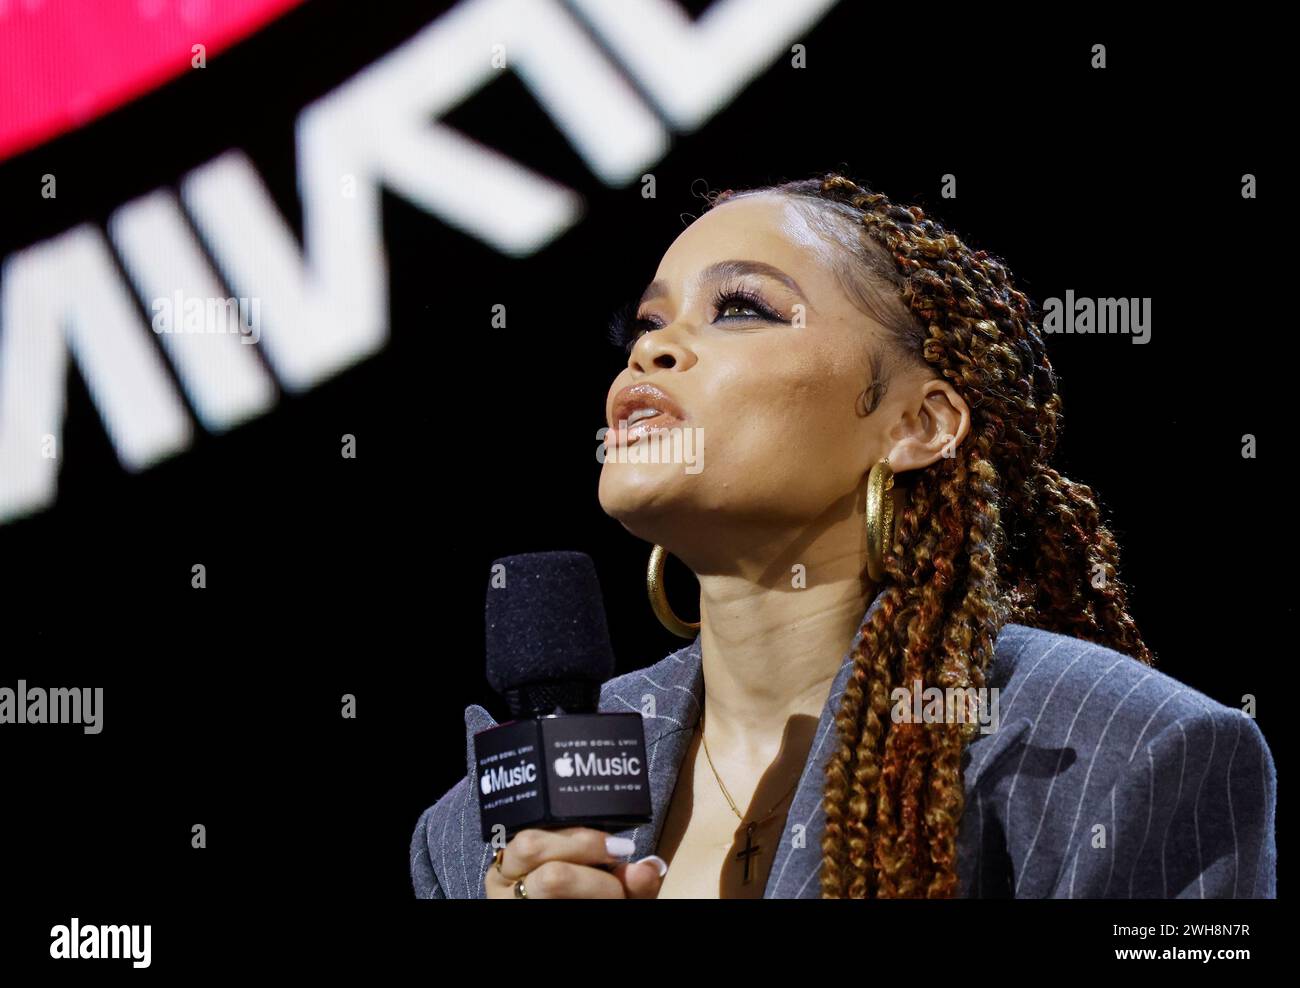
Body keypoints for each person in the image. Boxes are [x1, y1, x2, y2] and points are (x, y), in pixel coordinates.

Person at [410, 174, 1277, 898]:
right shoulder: (473, 840)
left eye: (741, 308)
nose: (655, 351)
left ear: (917, 424)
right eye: (646, 325)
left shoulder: (1121, 756)